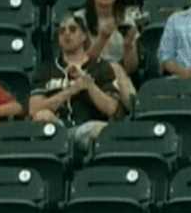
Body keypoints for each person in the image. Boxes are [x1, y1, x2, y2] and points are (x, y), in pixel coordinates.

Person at [31, 14, 134, 149]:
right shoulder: (47, 69)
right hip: (57, 128)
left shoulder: (100, 67)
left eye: (73, 29)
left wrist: (88, 85)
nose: (67, 34)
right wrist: (71, 91)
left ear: (84, 35)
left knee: (100, 130)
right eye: (62, 31)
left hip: (87, 128)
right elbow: (33, 109)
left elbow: (112, 109)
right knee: (41, 116)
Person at [75, 0, 145, 76]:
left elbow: (131, 68)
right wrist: (102, 39)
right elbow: (78, 61)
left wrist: (128, 45)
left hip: (119, 76)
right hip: (87, 74)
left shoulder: (128, 18)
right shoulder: (79, 19)